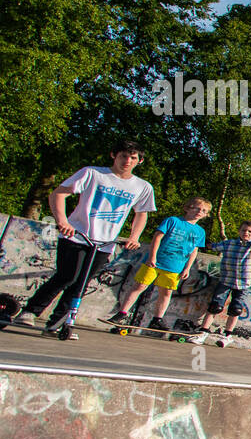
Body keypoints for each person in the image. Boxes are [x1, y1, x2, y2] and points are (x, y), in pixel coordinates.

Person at [9, 140, 155, 339]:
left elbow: (141, 214)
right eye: (123, 156)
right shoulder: (93, 174)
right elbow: (58, 195)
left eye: (133, 158)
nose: (127, 161)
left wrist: (134, 237)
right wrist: (62, 222)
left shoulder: (142, 186)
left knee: (81, 284)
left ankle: (57, 324)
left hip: (104, 243)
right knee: (67, 276)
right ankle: (30, 311)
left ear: (140, 161)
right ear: (114, 155)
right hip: (77, 236)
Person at [107, 197, 209, 333]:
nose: (199, 212)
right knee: (139, 286)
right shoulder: (173, 221)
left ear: (205, 215)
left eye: (203, 211)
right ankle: (122, 313)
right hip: (156, 262)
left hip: (175, 267)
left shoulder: (200, 232)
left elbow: (194, 250)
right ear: (187, 208)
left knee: (166, 293)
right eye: (196, 208)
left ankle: (157, 319)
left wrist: (187, 268)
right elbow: (157, 237)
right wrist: (152, 256)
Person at [194, 220, 251, 346]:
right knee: (215, 306)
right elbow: (211, 246)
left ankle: (227, 335)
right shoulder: (229, 243)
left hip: (244, 283)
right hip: (226, 280)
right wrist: (200, 239)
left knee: (236, 309)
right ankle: (203, 332)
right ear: (239, 231)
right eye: (244, 230)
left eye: (250, 231)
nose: (246, 233)